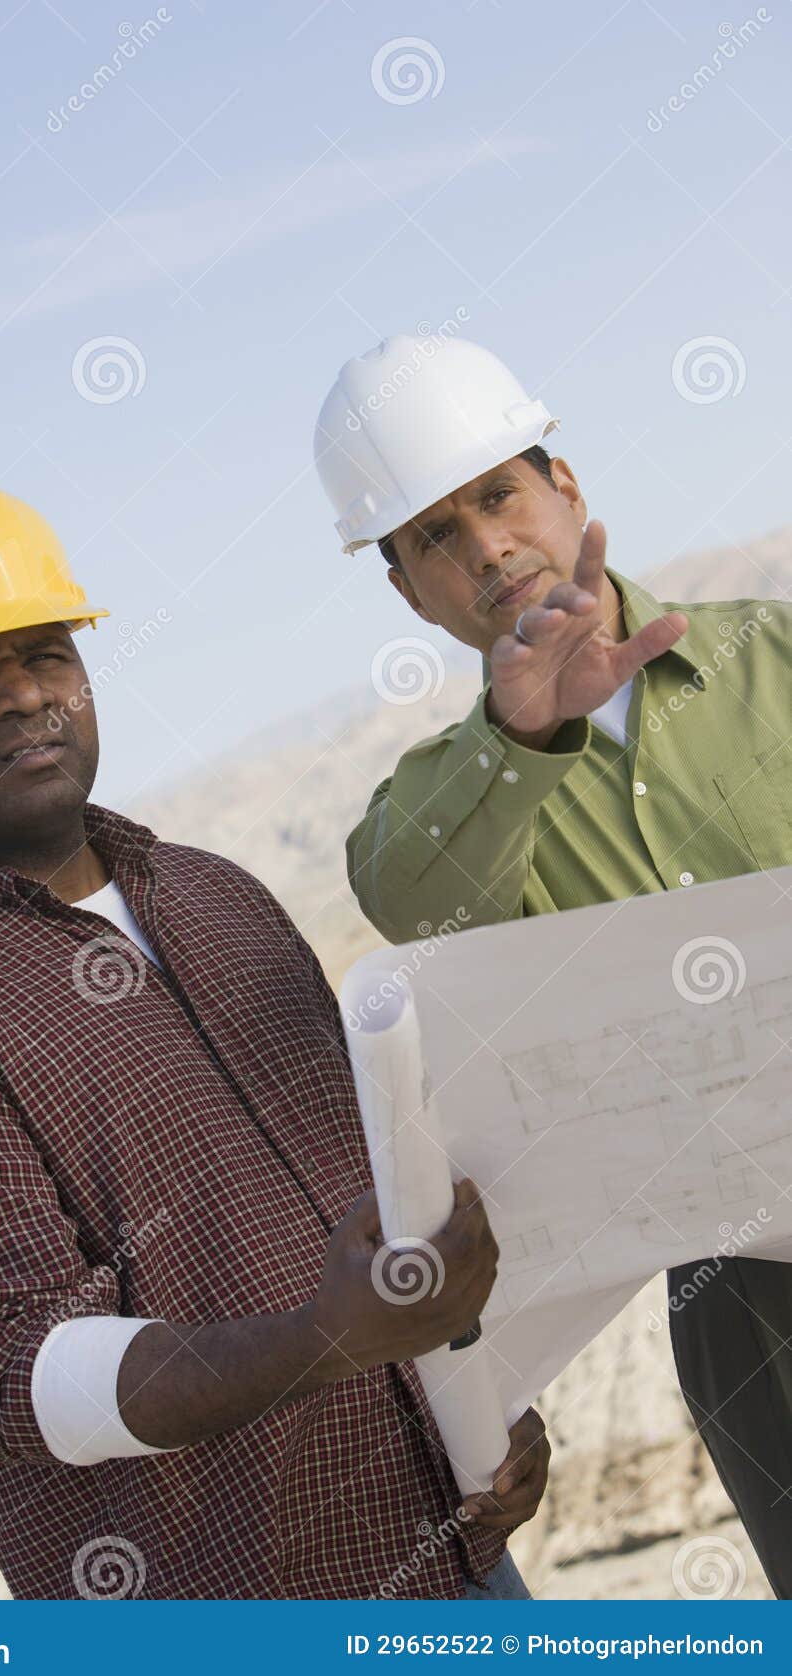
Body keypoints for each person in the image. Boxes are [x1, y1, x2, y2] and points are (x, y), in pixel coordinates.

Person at [0, 476, 548, 1601]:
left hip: (460, 1565)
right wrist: (325, 1338)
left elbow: (380, 1203)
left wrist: (477, 1400)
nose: (22, 698)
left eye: (46, 654)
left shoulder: (217, 898)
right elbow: (9, 1371)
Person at [315, 333, 792, 1597]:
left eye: (495, 494)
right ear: (407, 591)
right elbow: (409, 900)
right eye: (429, 536)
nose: (482, 546)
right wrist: (524, 734)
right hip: (755, 1328)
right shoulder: (442, 818)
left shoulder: (778, 664)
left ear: (563, 482)